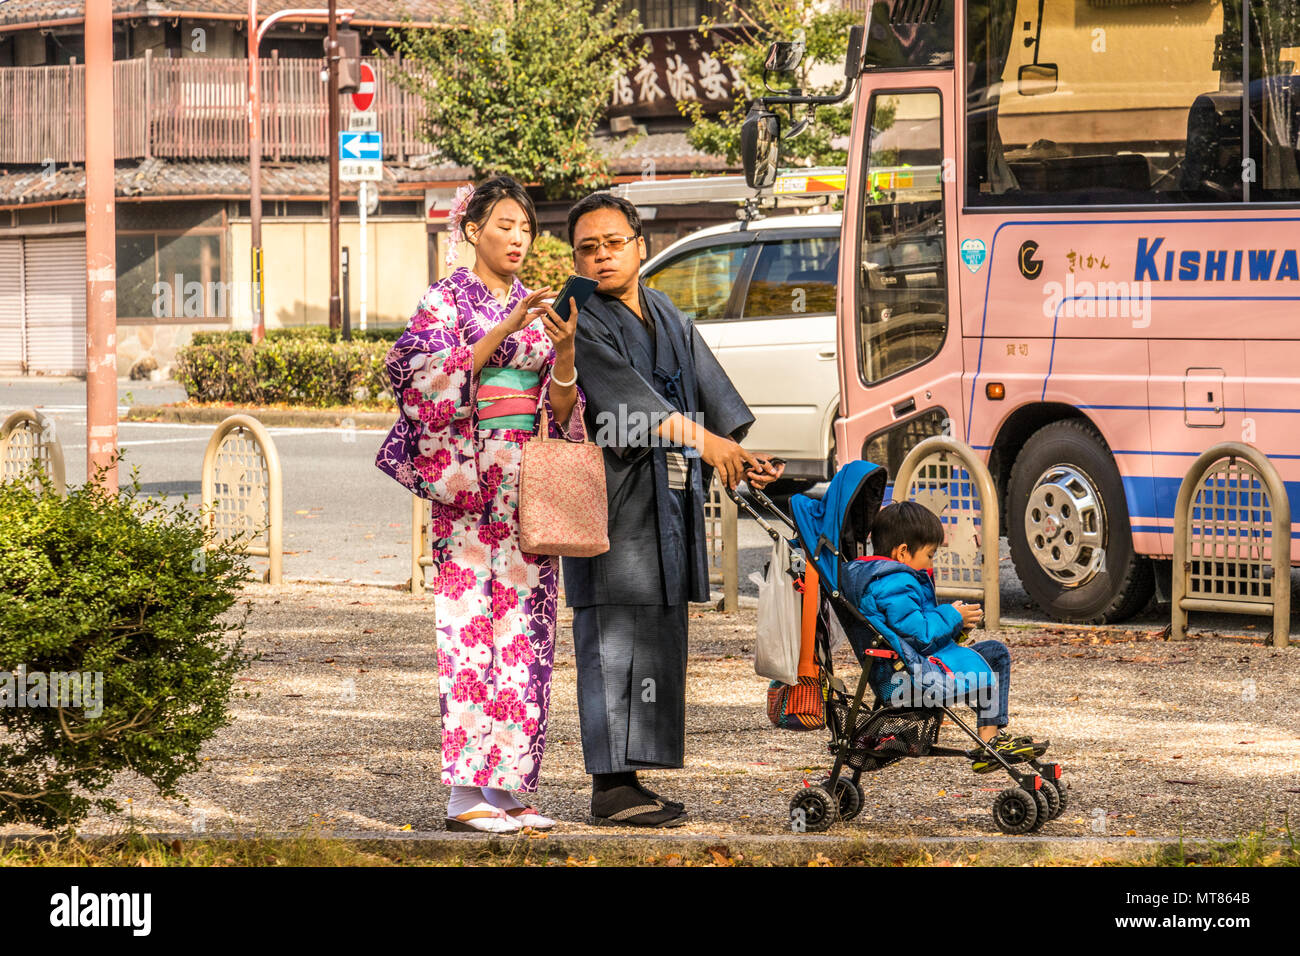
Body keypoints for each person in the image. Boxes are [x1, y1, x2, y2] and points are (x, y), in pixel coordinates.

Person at [560, 192, 784, 827]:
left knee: (655, 631)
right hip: (608, 495)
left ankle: (634, 779)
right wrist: (709, 445)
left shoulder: (669, 315)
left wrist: (741, 455)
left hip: (667, 494)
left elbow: (715, 404)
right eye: (587, 248)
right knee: (611, 632)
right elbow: (626, 408)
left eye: (612, 243)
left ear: (640, 245)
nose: (601, 256)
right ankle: (609, 785)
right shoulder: (575, 315)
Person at [375, 175, 586, 832]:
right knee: (470, 632)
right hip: (469, 482)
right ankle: (466, 795)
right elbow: (417, 375)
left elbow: (562, 409)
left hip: (529, 479)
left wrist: (567, 351)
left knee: (527, 634)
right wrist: (500, 331)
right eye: (503, 226)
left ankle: (510, 788)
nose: (517, 238)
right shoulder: (445, 300)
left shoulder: (536, 304)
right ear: (471, 231)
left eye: (526, 228)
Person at [844, 501, 1047, 772]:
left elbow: (915, 635)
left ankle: (990, 739)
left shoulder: (895, 580)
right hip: (909, 680)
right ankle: (989, 741)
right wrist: (953, 616)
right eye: (929, 555)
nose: (931, 562)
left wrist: (957, 628)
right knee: (992, 659)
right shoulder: (893, 584)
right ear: (903, 551)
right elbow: (921, 634)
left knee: (994, 654)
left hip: (916, 667)